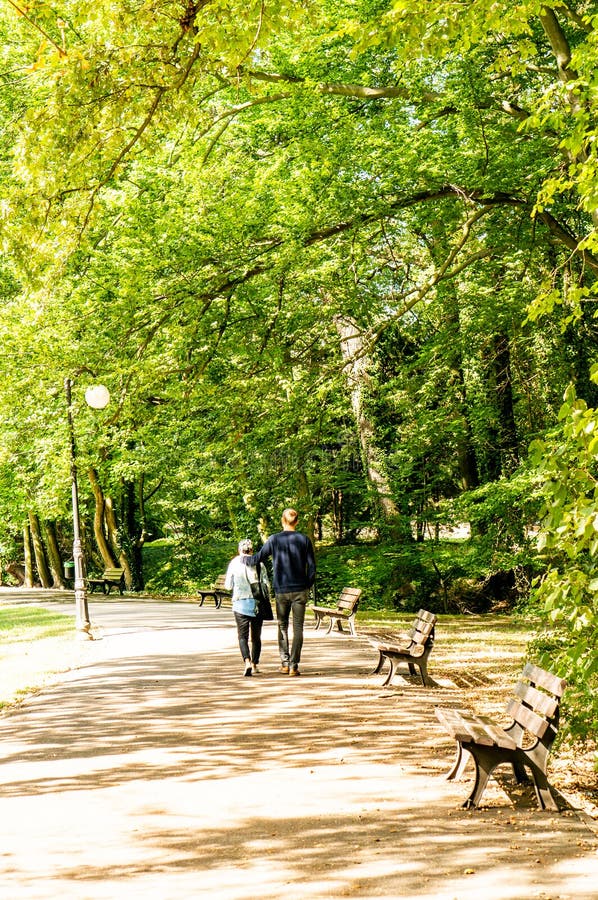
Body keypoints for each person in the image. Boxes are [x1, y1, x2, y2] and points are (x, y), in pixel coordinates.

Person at [243, 508, 315, 676]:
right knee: (298, 628)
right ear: (296, 522)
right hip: (300, 590)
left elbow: (257, 558)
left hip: (281, 590)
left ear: (283, 521)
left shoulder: (274, 539)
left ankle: (284, 663)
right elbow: (312, 567)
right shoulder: (304, 540)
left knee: (282, 626)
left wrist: (243, 558)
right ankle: (293, 666)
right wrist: (307, 585)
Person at [225, 539, 270, 677]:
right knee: (256, 637)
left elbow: (228, 586)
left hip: (240, 604)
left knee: (242, 636)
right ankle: (255, 664)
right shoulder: (259, 564)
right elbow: (267, 585)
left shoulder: (234, 563)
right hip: (257, 604)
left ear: (240, 550)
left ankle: (247, 661)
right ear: (252, 550)